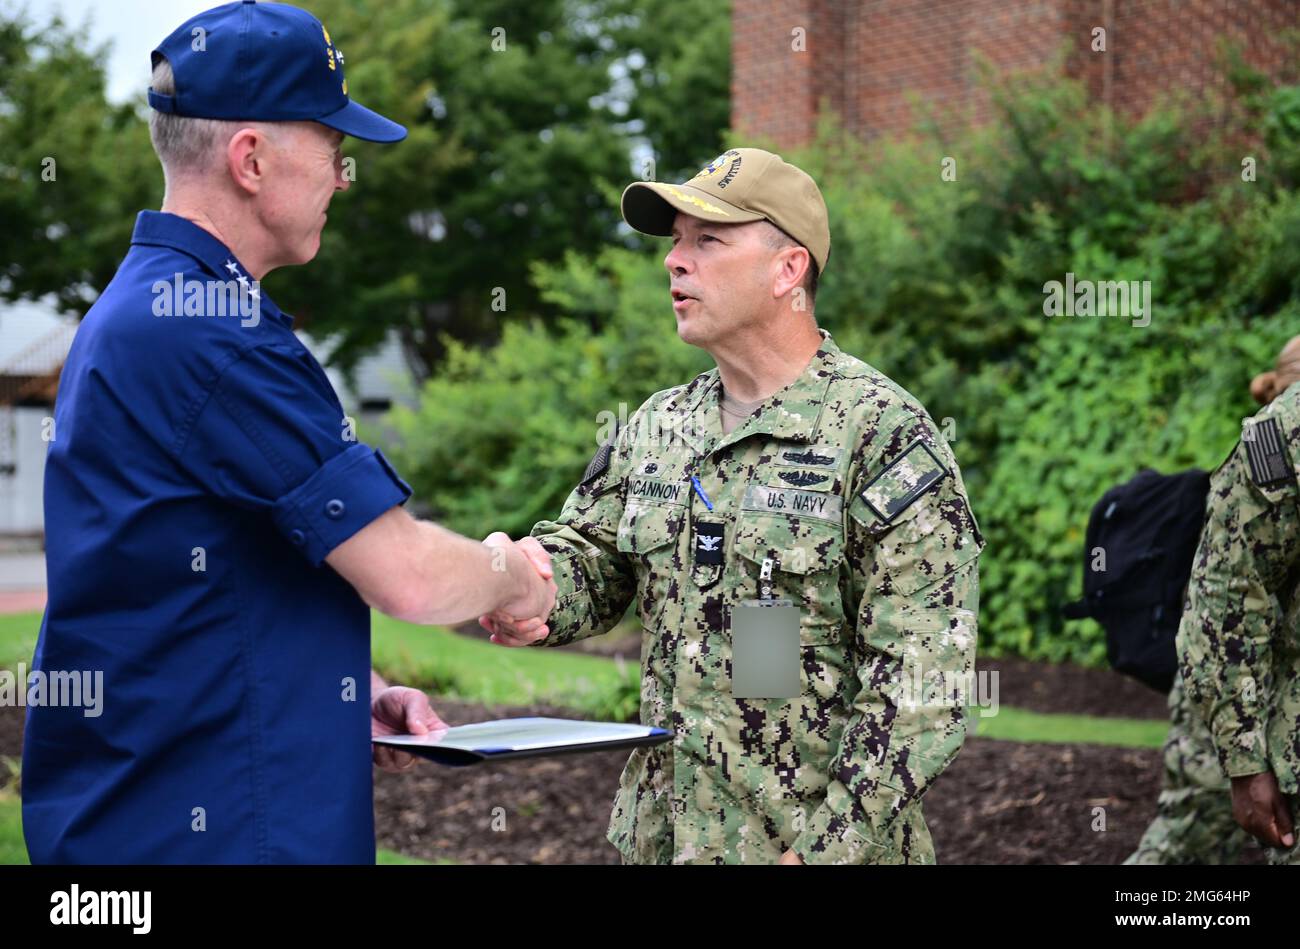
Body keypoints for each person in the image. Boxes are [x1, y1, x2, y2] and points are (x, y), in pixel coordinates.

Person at [22, 1, 554, 864]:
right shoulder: (212, 338)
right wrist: (515, 576)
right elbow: (409, 576)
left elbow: (198, 574)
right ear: (252, 158)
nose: (343, 180)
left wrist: (347, 690)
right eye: (335, 153)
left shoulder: (147, 309)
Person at [481, 148, 984, 864]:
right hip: (666, 841)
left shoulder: (880, 434)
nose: (674, 262)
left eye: (707, 241)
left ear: (789, 270)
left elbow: (922, 685)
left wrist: (821, 852)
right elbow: (591, 561)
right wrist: (524, 584)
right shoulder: (659, 425)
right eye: (675, 241)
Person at [1126, 336, 1300, 864]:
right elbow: (1226, 595)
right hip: (1242, 691)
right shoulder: (1278, 441)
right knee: (1186, 840)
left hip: (1246, 698)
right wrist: (1245, 759)